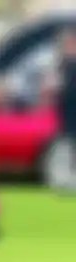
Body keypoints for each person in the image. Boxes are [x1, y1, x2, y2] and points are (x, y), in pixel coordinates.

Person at [56, 25, 76, 191]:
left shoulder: (69, 64)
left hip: (71, 113)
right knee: (70, 145)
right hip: (67, 114)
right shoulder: (64, 64)